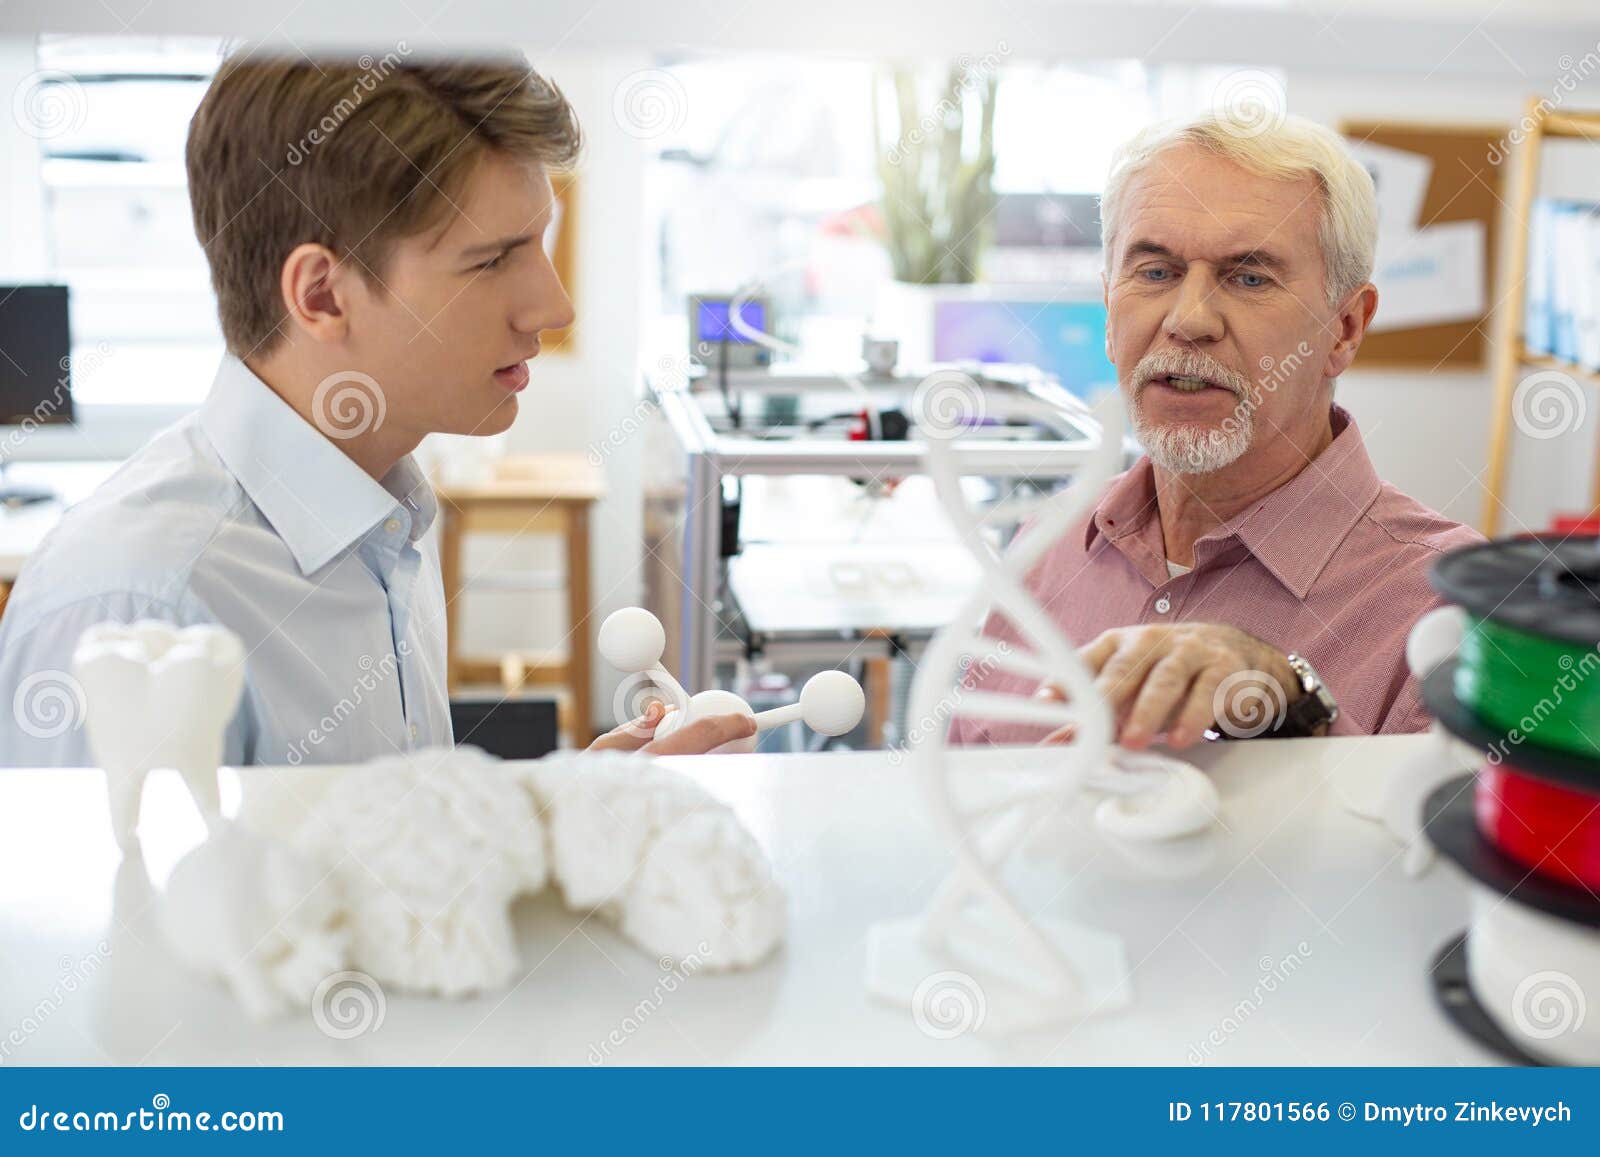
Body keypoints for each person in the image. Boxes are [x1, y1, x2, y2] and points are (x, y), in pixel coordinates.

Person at [0, 51, 750, 766]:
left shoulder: (387, 523)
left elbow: (390, 871)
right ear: (322, 294)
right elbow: (118, 906)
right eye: (493, 260)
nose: (553, 307)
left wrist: (577, 816)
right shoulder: (136, 610)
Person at [953, 111, 1481, 749]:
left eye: (1249, 277)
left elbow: (1425, 843)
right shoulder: (1050, 542)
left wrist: (1291, 705)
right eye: (1156, 272)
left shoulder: (1451, 606)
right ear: (1108, 307)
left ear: (1345, 328)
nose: (1189, 319)